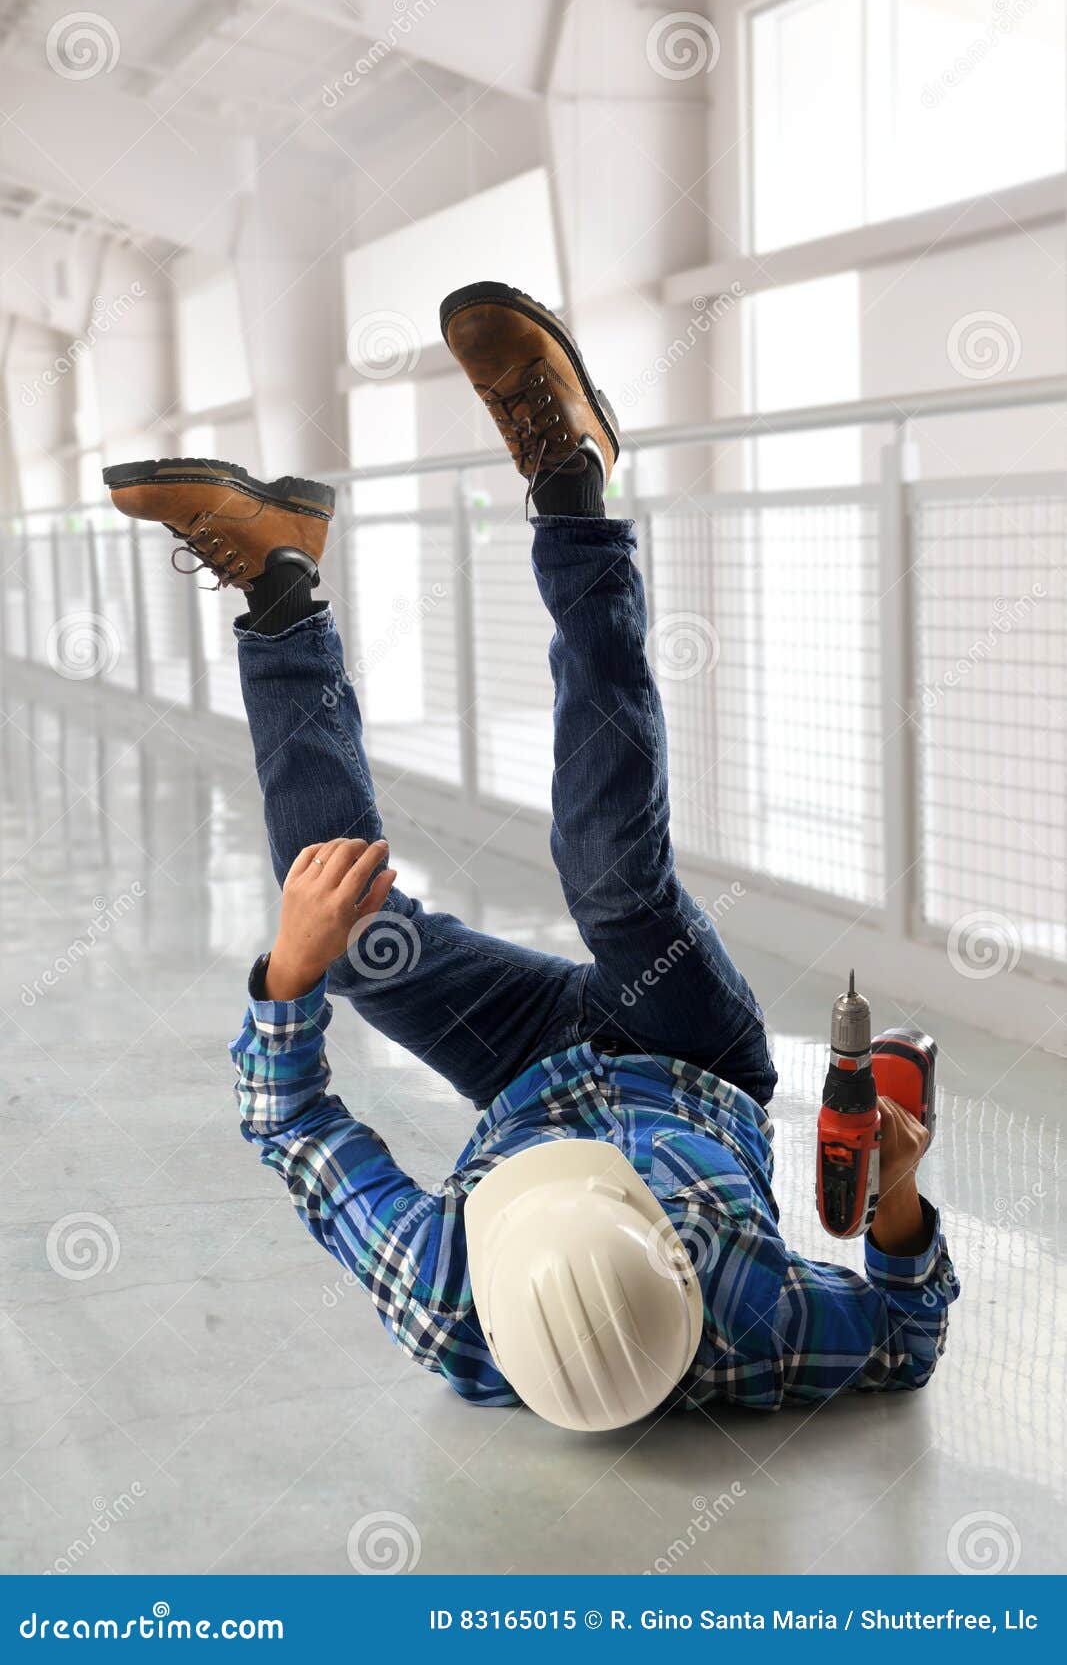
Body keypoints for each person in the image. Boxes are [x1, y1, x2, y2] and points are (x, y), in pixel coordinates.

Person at [103, 281, 958, 1433]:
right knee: (608, 874)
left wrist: (291, 972)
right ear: (675, 1251)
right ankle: (573, 486)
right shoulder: (759, 1318)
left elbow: (289, 1124)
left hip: (517, 1071)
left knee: (349, 935)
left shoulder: (448, 1303)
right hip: (689, 1052)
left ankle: (279, 585)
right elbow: (905, 1344)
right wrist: (896, 1197)